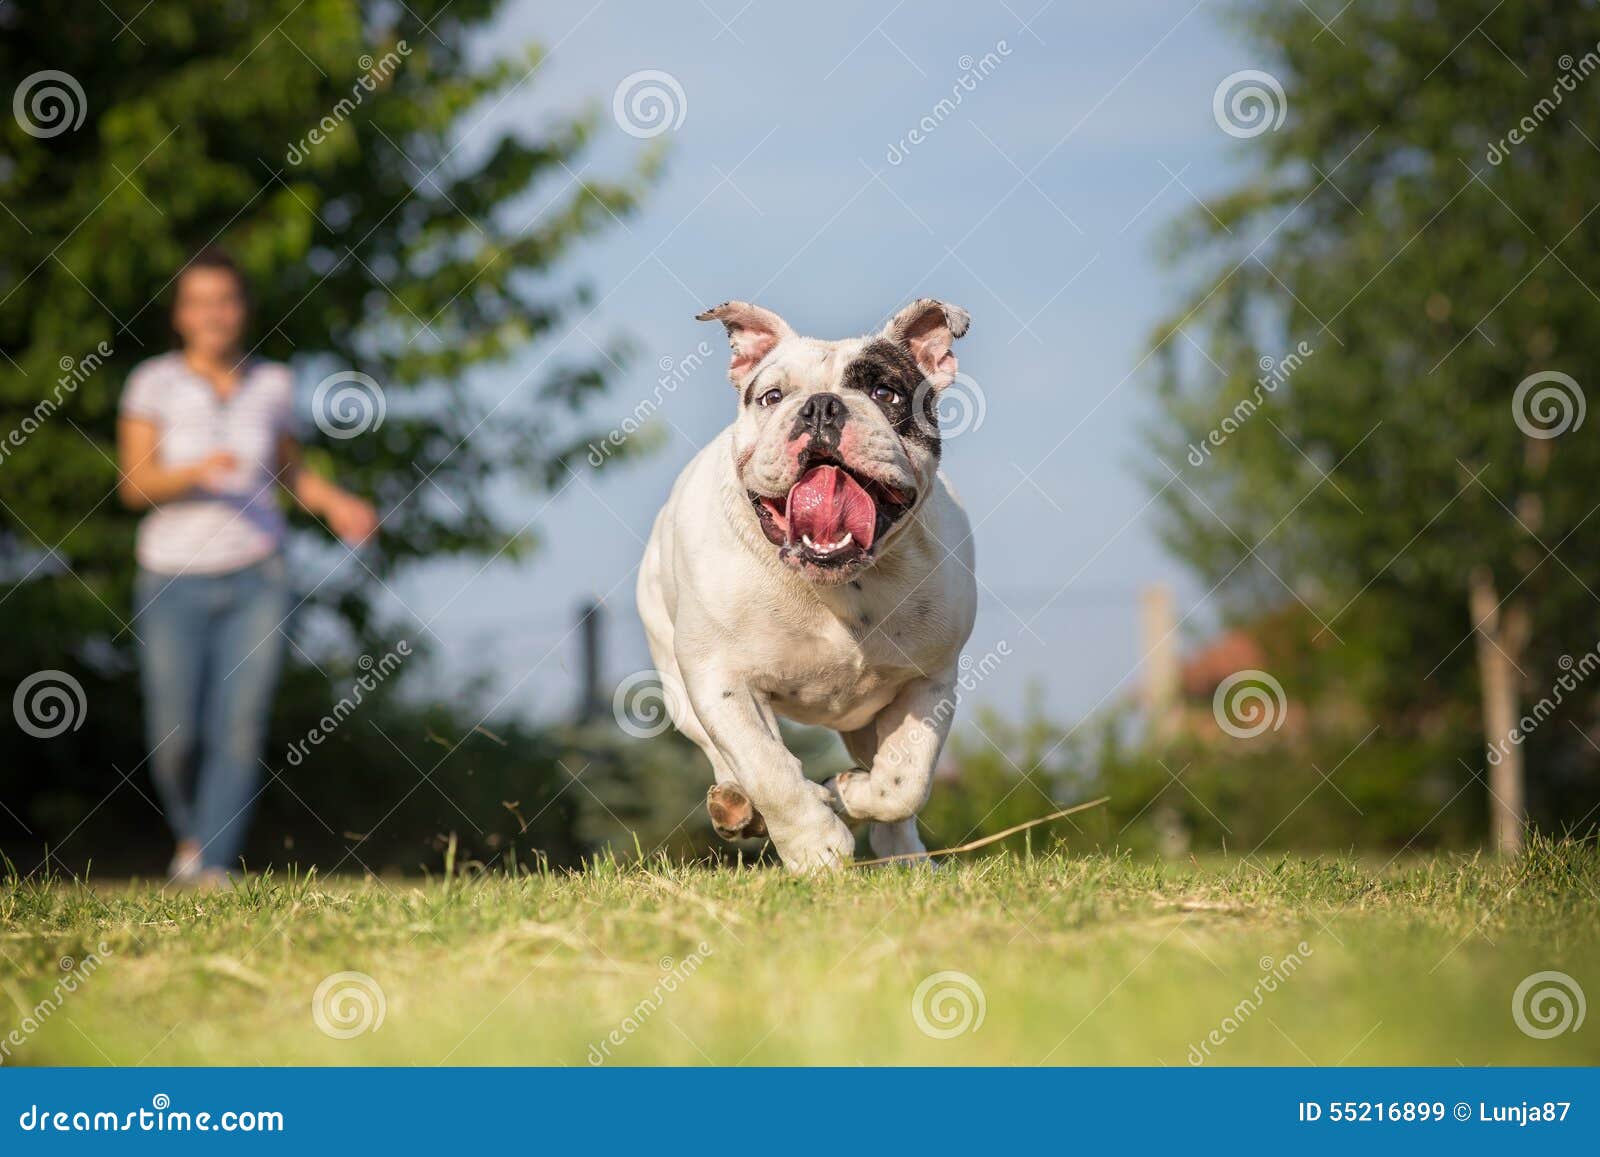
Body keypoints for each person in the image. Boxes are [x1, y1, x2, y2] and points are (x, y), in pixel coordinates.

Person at [117, 249, 378, 886]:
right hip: (171, 574)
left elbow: (289, 473)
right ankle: (191, 836)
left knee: (239, 727)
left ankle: (211, 866)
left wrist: (336, 502)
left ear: (242, 310)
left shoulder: (274, 385)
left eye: (226, 300)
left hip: (258, 574)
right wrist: (194, 474)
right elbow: (133, 484)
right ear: (181, 316)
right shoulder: (153, 383)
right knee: (174, 736)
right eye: (200, 302)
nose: (214, 313)